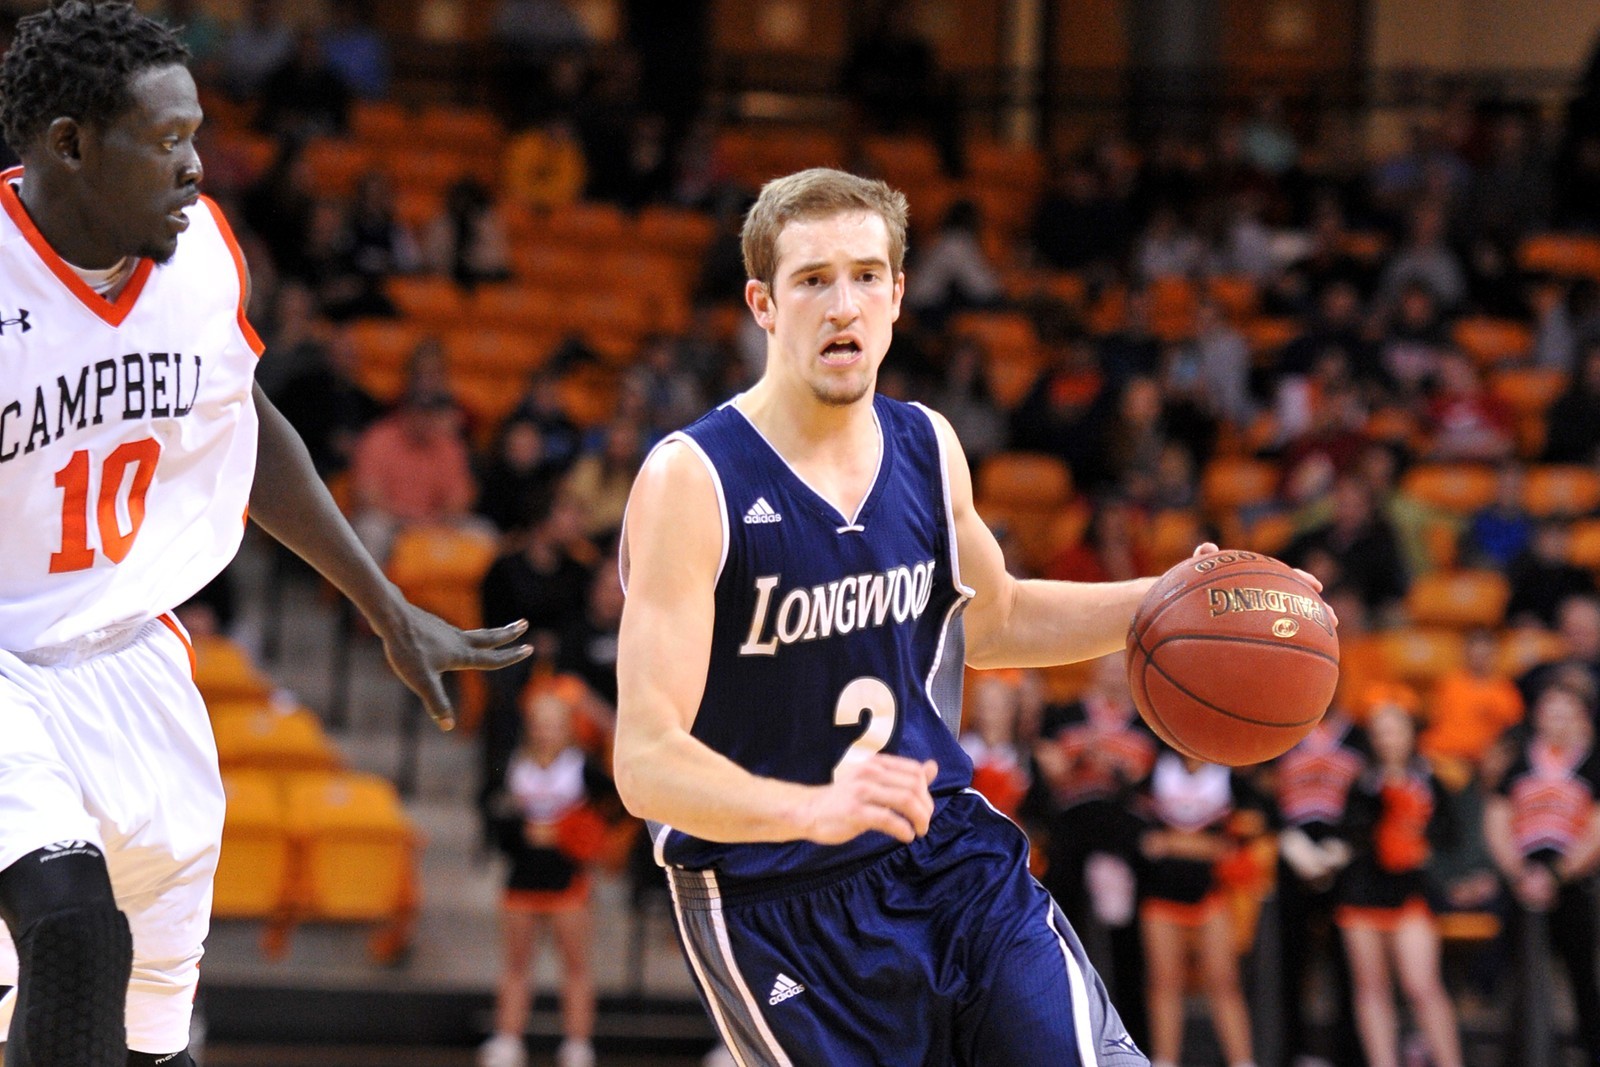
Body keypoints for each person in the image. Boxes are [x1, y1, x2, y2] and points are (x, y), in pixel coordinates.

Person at [612, 168, 1327, 1063]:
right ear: (762, 301)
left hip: (946, 855)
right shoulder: (694, 480)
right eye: (812, 280)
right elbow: (644, 760)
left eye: (868, 275)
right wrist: (811, 806)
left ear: (900, 294)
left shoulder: (927, 443)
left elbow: (997, 620)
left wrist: (1174, 597)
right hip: (775, 895)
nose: (845, 305)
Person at [0, 6, 530, 1064]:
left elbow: (238, 419)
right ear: (68, 143)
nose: (196, 166)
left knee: (151, 1025)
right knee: (72, 936)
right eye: (167, 141)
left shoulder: (199, 256)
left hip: (132, 656)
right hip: (5, 658)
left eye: (196, 134)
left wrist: (385, 605)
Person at [480, 687, 617, 1067]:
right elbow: (493, 814)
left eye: (554, 726)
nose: (546, 733)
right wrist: (515, 827)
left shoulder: (582, 767)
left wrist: (575, 832)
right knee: (515, 963)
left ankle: (577, 1044)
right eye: (540, 726)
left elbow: (613, 808)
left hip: (567, 880)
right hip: (522, 877)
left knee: (574, 964)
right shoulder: (511, 765)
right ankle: (508, 1038)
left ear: (567, 729)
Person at [1333, 699, 1465, 1067]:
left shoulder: (1429, 779)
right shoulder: (1363, 784)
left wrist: (1421, 840)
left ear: (1410, 733)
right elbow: (1348, 832)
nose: (1387, 739)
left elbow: (1450, 833)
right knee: (1371, 990)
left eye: (1394, 730)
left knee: (1421, 985)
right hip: (1362, 894)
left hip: (1409, 893)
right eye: (1380, 732)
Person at [1135, 751, 1263, 1067]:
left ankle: (1242, 1061)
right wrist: (1204, 847)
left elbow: (1239, 844)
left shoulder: (1229, 774)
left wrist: (1175, 844)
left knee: (1224, 982)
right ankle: (1164, 1060)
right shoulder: (1156, 768)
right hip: (1161, 896)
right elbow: (1142, 840)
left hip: (1211, 896)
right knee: (1164, 983)